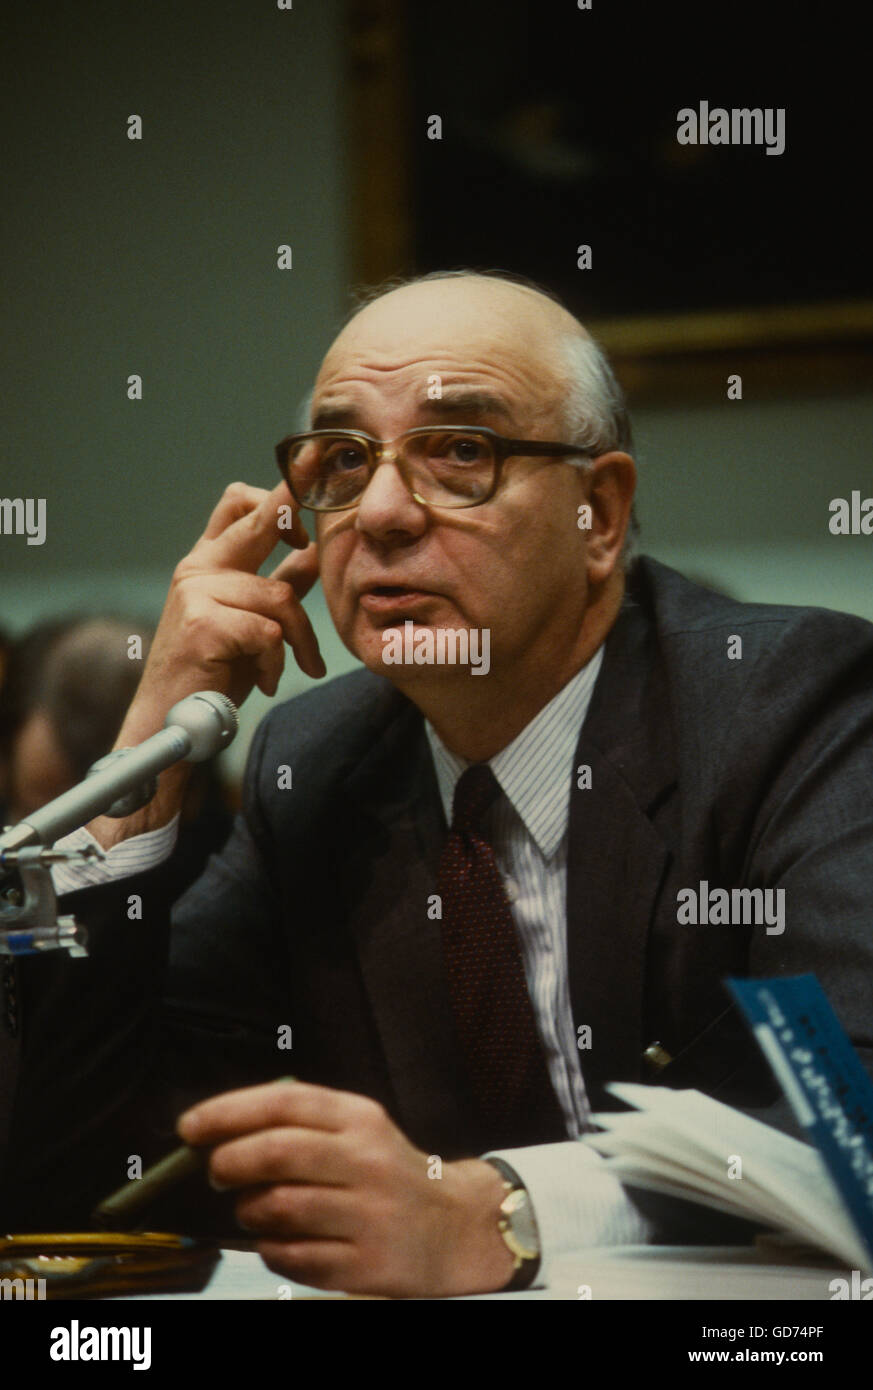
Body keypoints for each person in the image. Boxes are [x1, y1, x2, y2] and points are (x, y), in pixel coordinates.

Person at [3, 271, 873, 1298]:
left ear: (598, 512)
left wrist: (502, 1211)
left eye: (462, 450)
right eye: (340, 459)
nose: (378, 512)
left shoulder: (791, 706)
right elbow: (91, 1179)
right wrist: (152, 742)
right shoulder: (315, 767)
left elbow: (852, 1117)